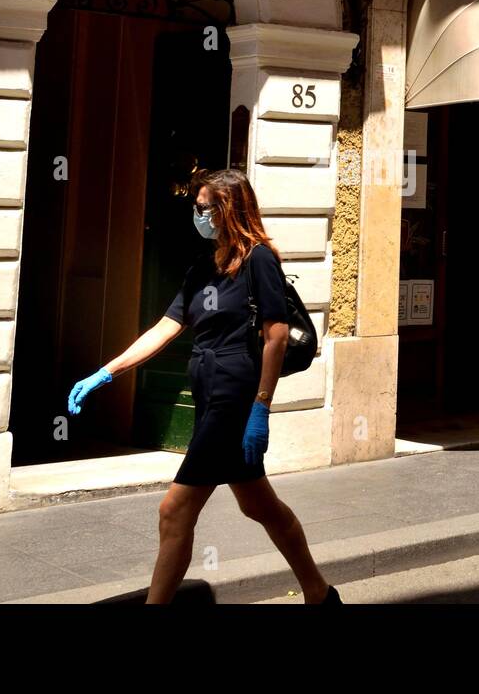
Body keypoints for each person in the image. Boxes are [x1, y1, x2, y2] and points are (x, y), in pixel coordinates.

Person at [66, 168, 341, 605]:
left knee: (174, 509)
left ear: (227, 208)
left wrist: (260, 409)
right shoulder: (203, 266)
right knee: (258, 505)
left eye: (202, 208)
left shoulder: (260, 260)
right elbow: (166, 326)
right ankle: (318, 592)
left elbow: (276, 336)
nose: (197, 215)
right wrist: (107, 372)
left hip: (234, 401)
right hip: (209, 394)